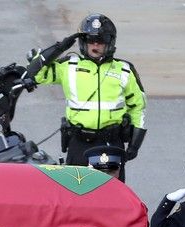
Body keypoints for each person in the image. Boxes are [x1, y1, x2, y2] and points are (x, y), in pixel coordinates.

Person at [29, 14, 147, 169]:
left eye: (100, 40)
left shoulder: (124, 70)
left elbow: (138, 107)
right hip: (79, 144)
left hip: (111, 143)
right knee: (76, 184)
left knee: (110, 185)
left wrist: (134, 145)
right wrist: (60, 47)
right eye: (90, 40)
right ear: (83, 42)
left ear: (110, 42)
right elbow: (35, 73)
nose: (95, 44)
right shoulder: (69, 67)